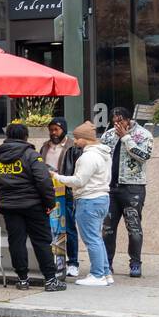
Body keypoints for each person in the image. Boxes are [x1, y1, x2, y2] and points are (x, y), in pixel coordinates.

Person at [0, 122, 64, 292]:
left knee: (17, 242)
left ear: (7, 136)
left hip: (9, 206)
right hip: (34, 206)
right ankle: (50, 280)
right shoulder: (31, 155)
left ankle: (22, 280)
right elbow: (44, 181)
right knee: (41, 242)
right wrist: (50, 203)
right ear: (25, 136)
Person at [49, 122, 113, 286]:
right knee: (97, 238)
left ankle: (97, 275)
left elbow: (78, 181)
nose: (75, 141)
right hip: (101, 198)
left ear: (85, 138)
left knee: (92, 239)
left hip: (89, 200)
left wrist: (56, 176)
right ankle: (105, 273)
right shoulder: (103, 154)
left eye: (77, 138)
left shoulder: (88, 157)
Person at [100, 106, 154, 278]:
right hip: (110, 188)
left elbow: (144, 156)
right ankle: (107, 263)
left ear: (128, 120)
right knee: (108, 228)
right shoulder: (108, 135)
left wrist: (126, 138)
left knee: (134, 227)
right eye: (114, 122)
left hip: (132, 188)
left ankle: (135, 263)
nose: (117, 125)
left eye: (120, 121)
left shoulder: (143, 135)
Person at [39, 117, 83, 277]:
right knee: (50, 228)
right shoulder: (44, 147)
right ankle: (54, 261)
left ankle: (73, 262)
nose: (53, 133)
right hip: (48, 191)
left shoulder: (73, 147)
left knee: (69, 227)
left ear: (63, 129)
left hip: (67, 191)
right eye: (51, 130)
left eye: (56, 129)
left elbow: (77, 169)